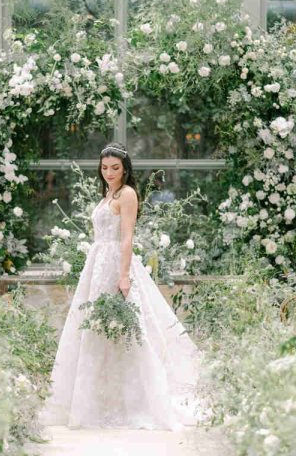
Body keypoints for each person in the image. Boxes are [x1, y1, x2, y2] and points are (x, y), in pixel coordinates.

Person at [41, 142, 200, 431]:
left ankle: (139, 401)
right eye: (104, 168)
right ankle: (100, 400)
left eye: (115, 168)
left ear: (125, 169)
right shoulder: (108, 194)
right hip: (98, 263)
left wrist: (124, 275)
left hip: (115, 262)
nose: (109, 173)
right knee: (96, 327)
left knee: (127, 326)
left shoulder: (127, 194)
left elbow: (127, 237)